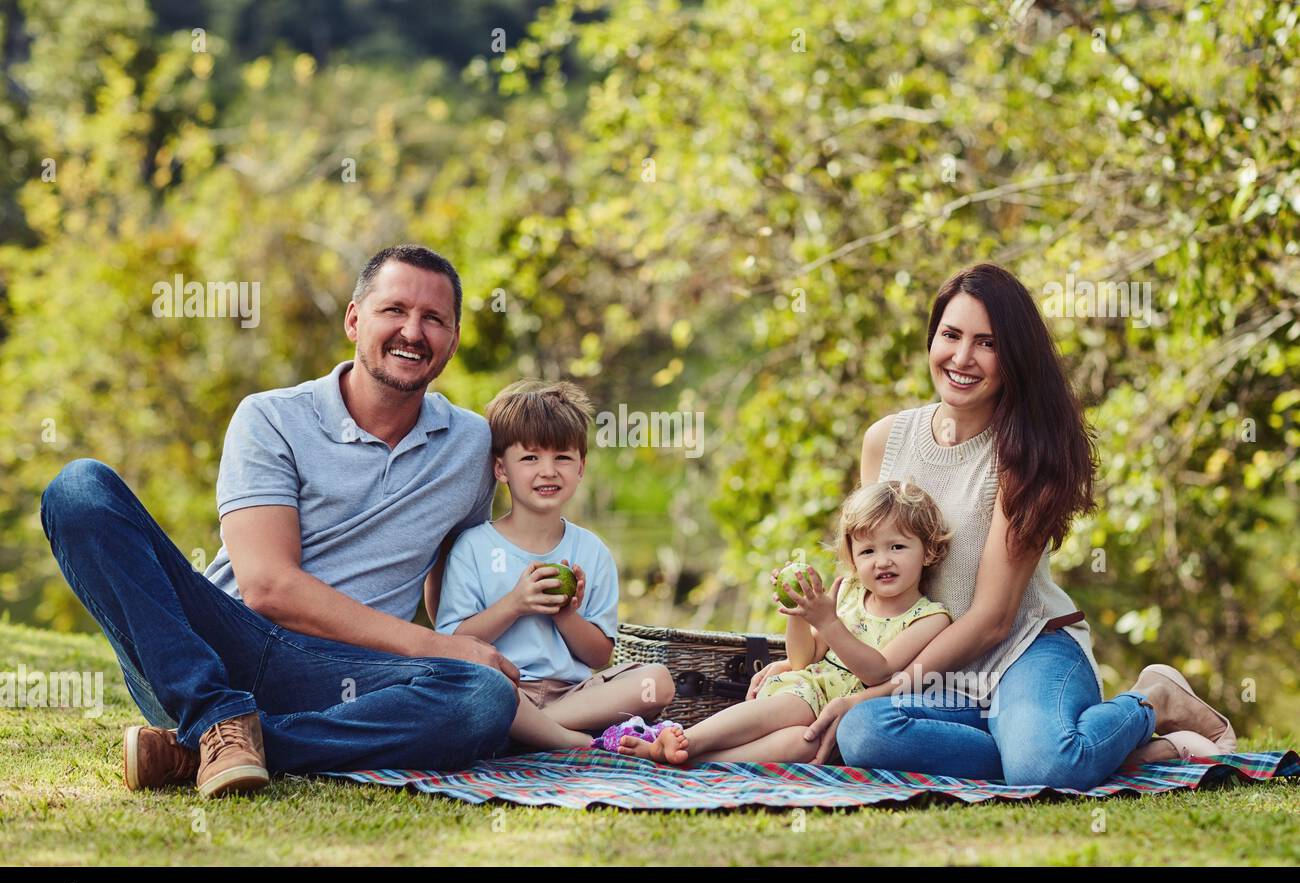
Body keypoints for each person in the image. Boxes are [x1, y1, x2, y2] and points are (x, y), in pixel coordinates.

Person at [40, 244, 520, 798]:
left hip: (348, 677)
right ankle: (211, 711)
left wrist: (530, 645)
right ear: (354, 318)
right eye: (395, 310)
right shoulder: (270, 417)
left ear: (453, 341)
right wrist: (432, 647)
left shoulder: (471, 447)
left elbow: (451, 595)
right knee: (77, 488)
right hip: (217, 649)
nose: (413, 331)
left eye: (433, 319)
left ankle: (203, 746)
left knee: (484, 697)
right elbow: (268, 587)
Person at [767, 262, 1233, 787]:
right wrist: (806, 664)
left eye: (986, 343)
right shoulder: (885, 439)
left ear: (1013, 357)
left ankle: (1154, 699)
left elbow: (992, 618)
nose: (962, 358)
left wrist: (881, 689)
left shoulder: (1026, 455)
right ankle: (1041, 745)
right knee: (864, 734)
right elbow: (860, 580)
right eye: (951, 335)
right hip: (930, 675)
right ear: (931, 338)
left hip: (1025, 651)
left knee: (1045, 768)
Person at [621, 480, 953, 766]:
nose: (883, 561)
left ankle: (691, 757)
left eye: (897, 546)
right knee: (793, 707)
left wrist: (827, 621)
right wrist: (799, 614)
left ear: (927, 552)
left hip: (848, 714)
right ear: (853, 558)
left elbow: (878, 672)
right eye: (867, 552)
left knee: (804, 744)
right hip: (806, 691)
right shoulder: (850, 592)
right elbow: (801, 660)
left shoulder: (929, 618)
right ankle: (686, 739)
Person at [436, 379, 676, 751]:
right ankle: (578, 745)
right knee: (477, 690)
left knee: (657, 681)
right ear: (501, 469)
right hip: (503, 688)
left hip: (576, 701)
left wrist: (565, 613)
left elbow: (599, 656)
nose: (548, 471)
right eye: (530, 458)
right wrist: (515, 604)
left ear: (580, 467)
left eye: (562, 457)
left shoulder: (591, 551)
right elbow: (452, 642)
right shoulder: (474, 547)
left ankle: (537, 733)